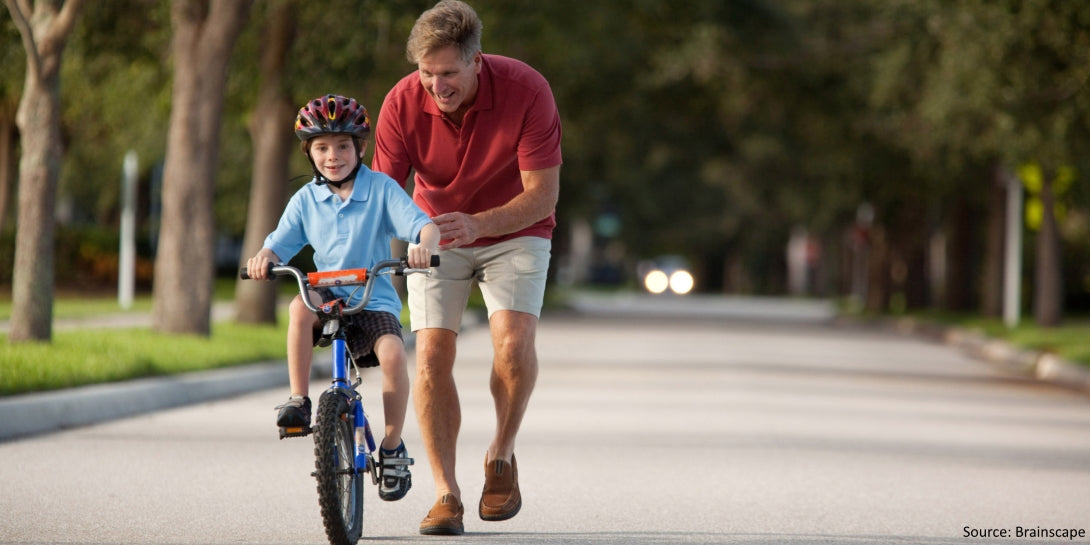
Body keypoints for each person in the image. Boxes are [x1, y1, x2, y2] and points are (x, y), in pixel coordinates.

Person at [371, 0, 562, 536]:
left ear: (478, 61)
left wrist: (479, 224)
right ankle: (446, 492)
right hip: (435, 232)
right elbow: (384, 198)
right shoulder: (402, 102)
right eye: (427, 73)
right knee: (431, 353)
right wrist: (378, 269)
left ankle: (501, 454)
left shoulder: (527, 91)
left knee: (513, 342)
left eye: (449, 73)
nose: (436, 85)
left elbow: (542, 197)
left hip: (516, 228)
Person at [246, 94, 440, 502]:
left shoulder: (381, 189)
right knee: (299, 306)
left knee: (392, 355)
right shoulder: (305, 201)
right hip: (328, 297)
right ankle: (299, 399)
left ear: (360, 148)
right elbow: (278, 244)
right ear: (309, 153)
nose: (332, 156)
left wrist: (422, 244)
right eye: (321, 147)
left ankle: (390, 448)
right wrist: (265, 258)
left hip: (372, 298)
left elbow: (423, 225)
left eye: (342, 146)